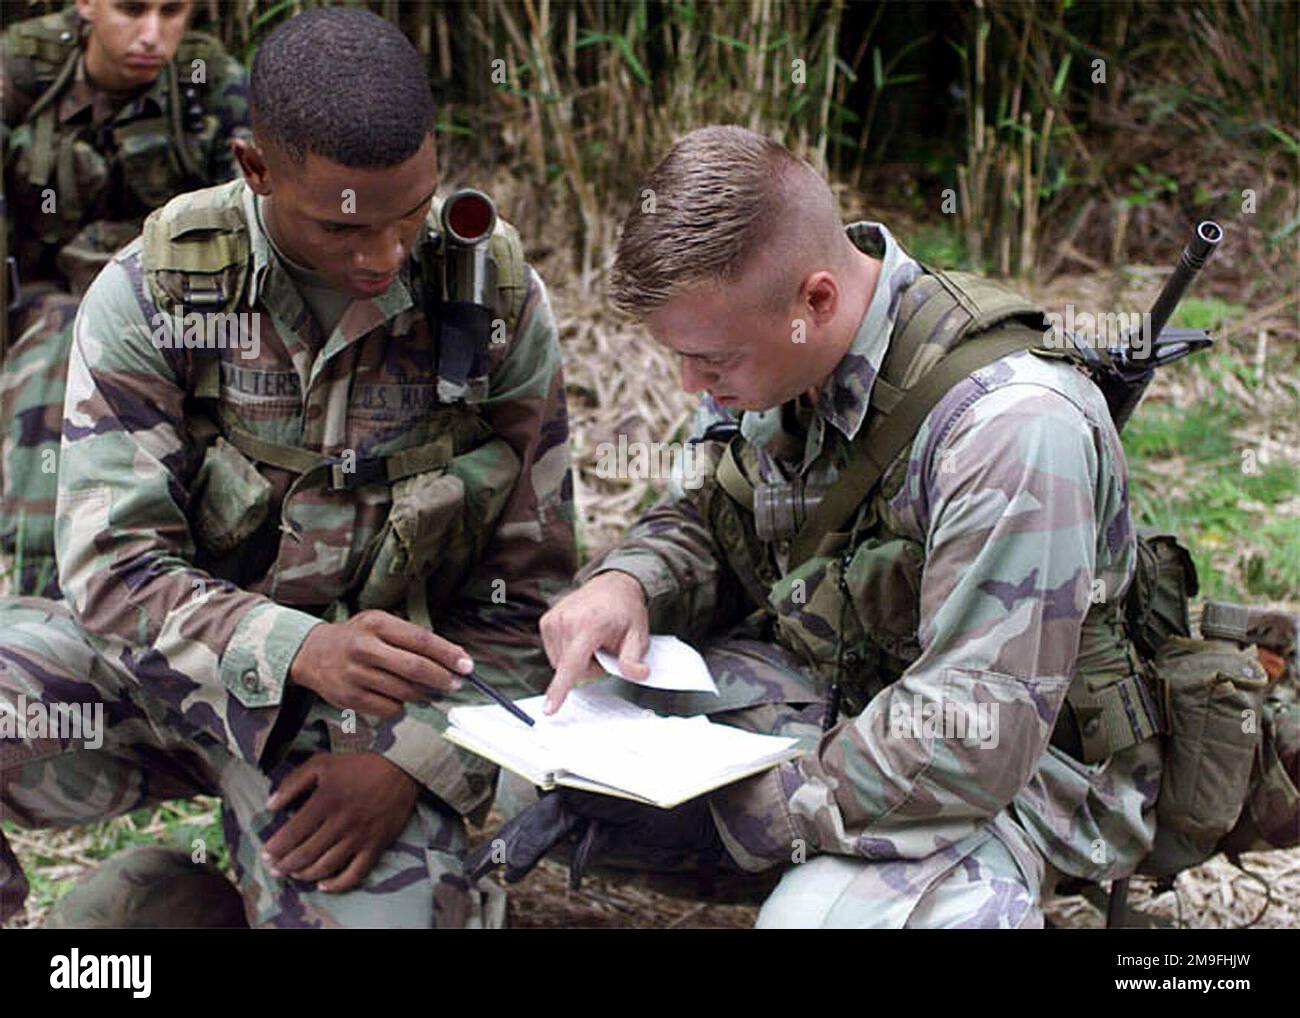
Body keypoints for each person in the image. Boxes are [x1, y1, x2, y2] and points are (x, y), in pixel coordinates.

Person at [472, 124, 1163, 928]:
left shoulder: (1009, 427)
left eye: (711, 360)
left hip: (1026, 769)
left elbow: (973, 738)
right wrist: (631, 582)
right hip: (847, 695)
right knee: (544, 765)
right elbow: (707, 511)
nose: (689, 382)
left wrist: (742, 818)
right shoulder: (771, 353)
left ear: (818, 300)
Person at [0, 6, 575, 929]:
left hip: (369, 724)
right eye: (343, 229)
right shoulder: (158, 290)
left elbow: (530, 599)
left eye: (411, 213)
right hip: (163, 679)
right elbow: (113, 573)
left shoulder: (489, 298)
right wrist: (297, 647)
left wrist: (412, 762)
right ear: (255, 169)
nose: (384, 256)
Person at [1, 0, 250, 598]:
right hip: (47, 299)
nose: (152, 35)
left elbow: (254, 210)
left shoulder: (209, 82)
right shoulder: (22, 70)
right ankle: (35, 582)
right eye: (131, 10)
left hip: (167, 309)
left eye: (171, 13)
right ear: (86, 5)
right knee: (62, 342)